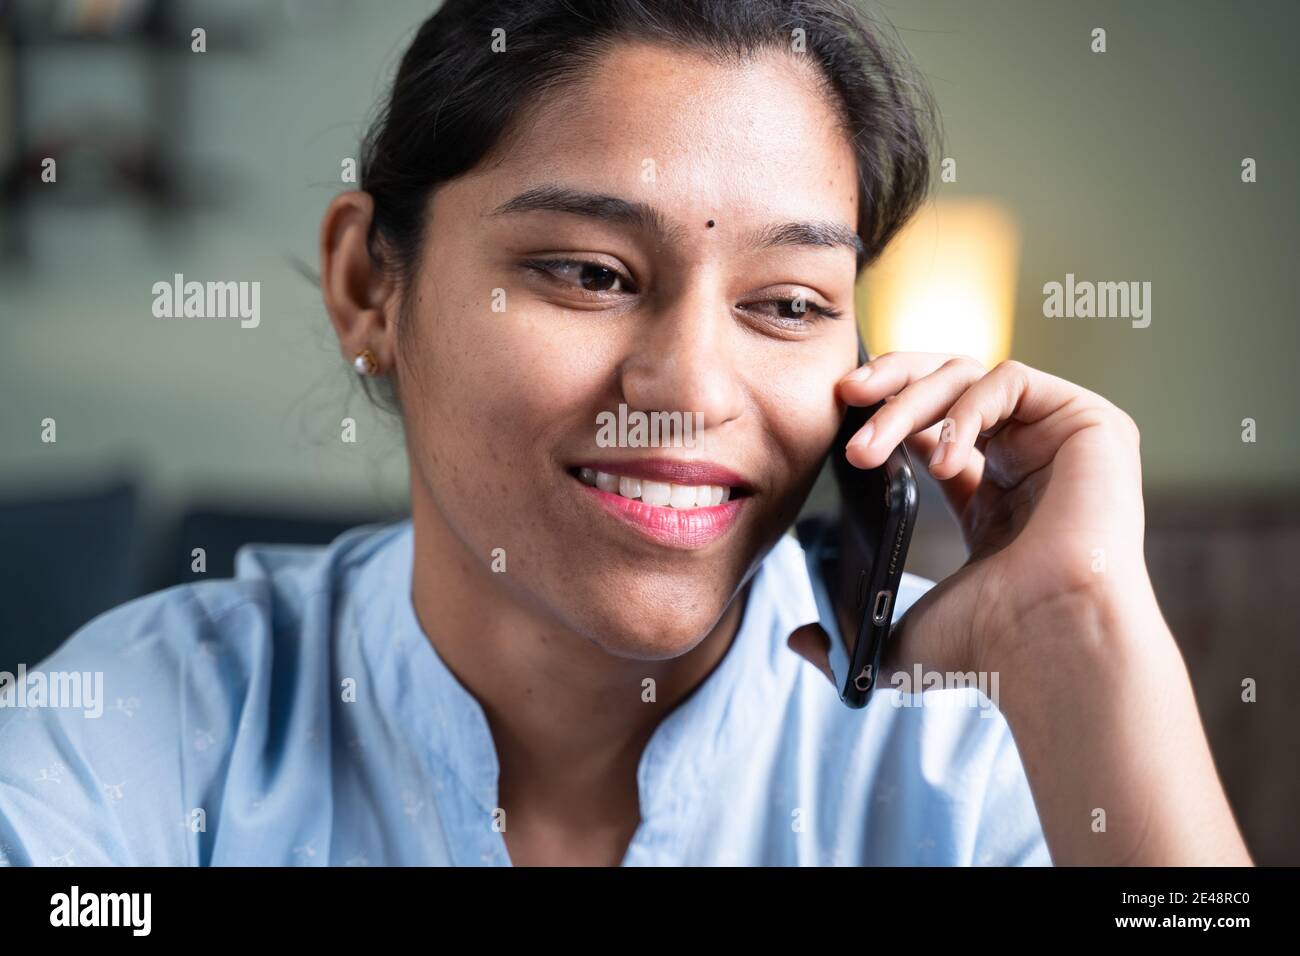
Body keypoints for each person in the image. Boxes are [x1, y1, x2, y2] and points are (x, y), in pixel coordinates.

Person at [0, 0, 1250, 867]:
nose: (691, 385)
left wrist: (1082, 630)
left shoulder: (980, 765)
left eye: (789, 303)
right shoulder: (129, 739)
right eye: (589, 273)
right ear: (370, 288)